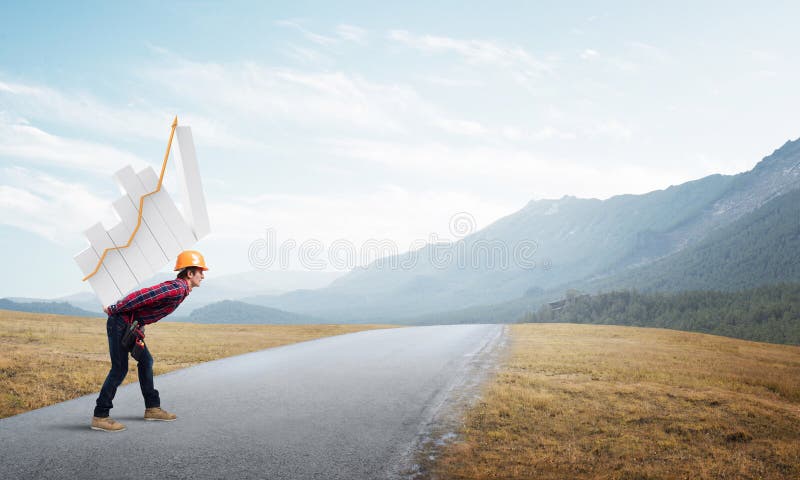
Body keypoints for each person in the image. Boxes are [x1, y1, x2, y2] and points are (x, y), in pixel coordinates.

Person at [90, 250, 208, 432]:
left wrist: (140, 325)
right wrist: (115, 308)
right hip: (120, 322)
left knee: (146, 361)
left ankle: (152, 408)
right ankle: (100, 416)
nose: (203, 275)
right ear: (190, 273)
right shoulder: (177, 288)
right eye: (200, 271)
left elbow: (147, 306)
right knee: (119, 369)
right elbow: (143, 295)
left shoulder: (182, 290)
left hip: (130, 325)